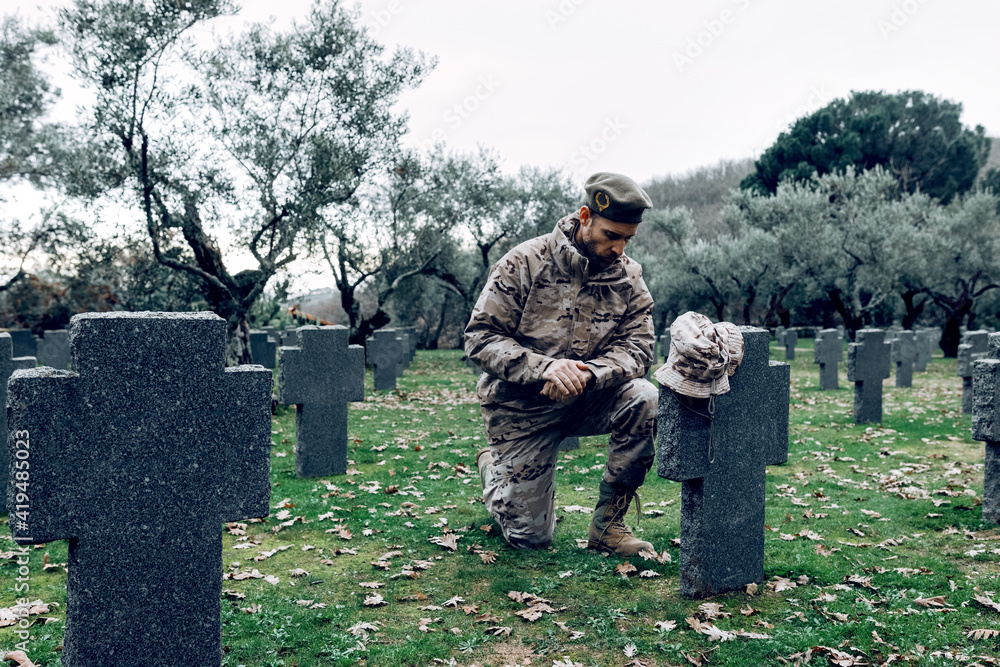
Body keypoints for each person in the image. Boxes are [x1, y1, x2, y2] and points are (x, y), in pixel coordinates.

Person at [464, 172, 658, 555]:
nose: (619, 248)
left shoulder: (629, 278)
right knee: (530, 540)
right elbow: (479, 338)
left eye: (627, 239)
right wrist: (545, 368)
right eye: (611, 236)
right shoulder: (524, 262)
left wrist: (589, 373)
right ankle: (493, 469)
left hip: (589, 399)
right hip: (521, 408)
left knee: (645, 397)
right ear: (585, 217)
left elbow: (639, 348)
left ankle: (608, 525)